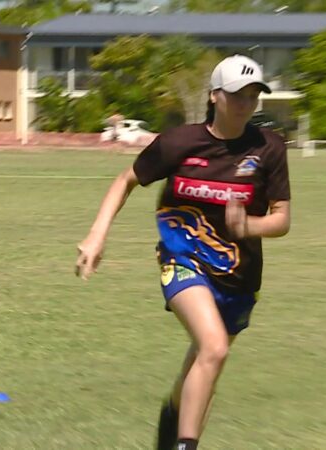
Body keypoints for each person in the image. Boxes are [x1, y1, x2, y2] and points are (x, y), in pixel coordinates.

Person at [75, 54, 291, 450]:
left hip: (240, 275)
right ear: (215, 96)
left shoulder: (269, 148)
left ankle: (173, 415)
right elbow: (125, 181)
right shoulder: (179, 142)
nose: (246, 103)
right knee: (214, 346)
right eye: (237, 95)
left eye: (253, 95)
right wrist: (96, 236)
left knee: (208, 367)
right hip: (183, 258)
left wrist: (250, 226)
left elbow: (281, 219)